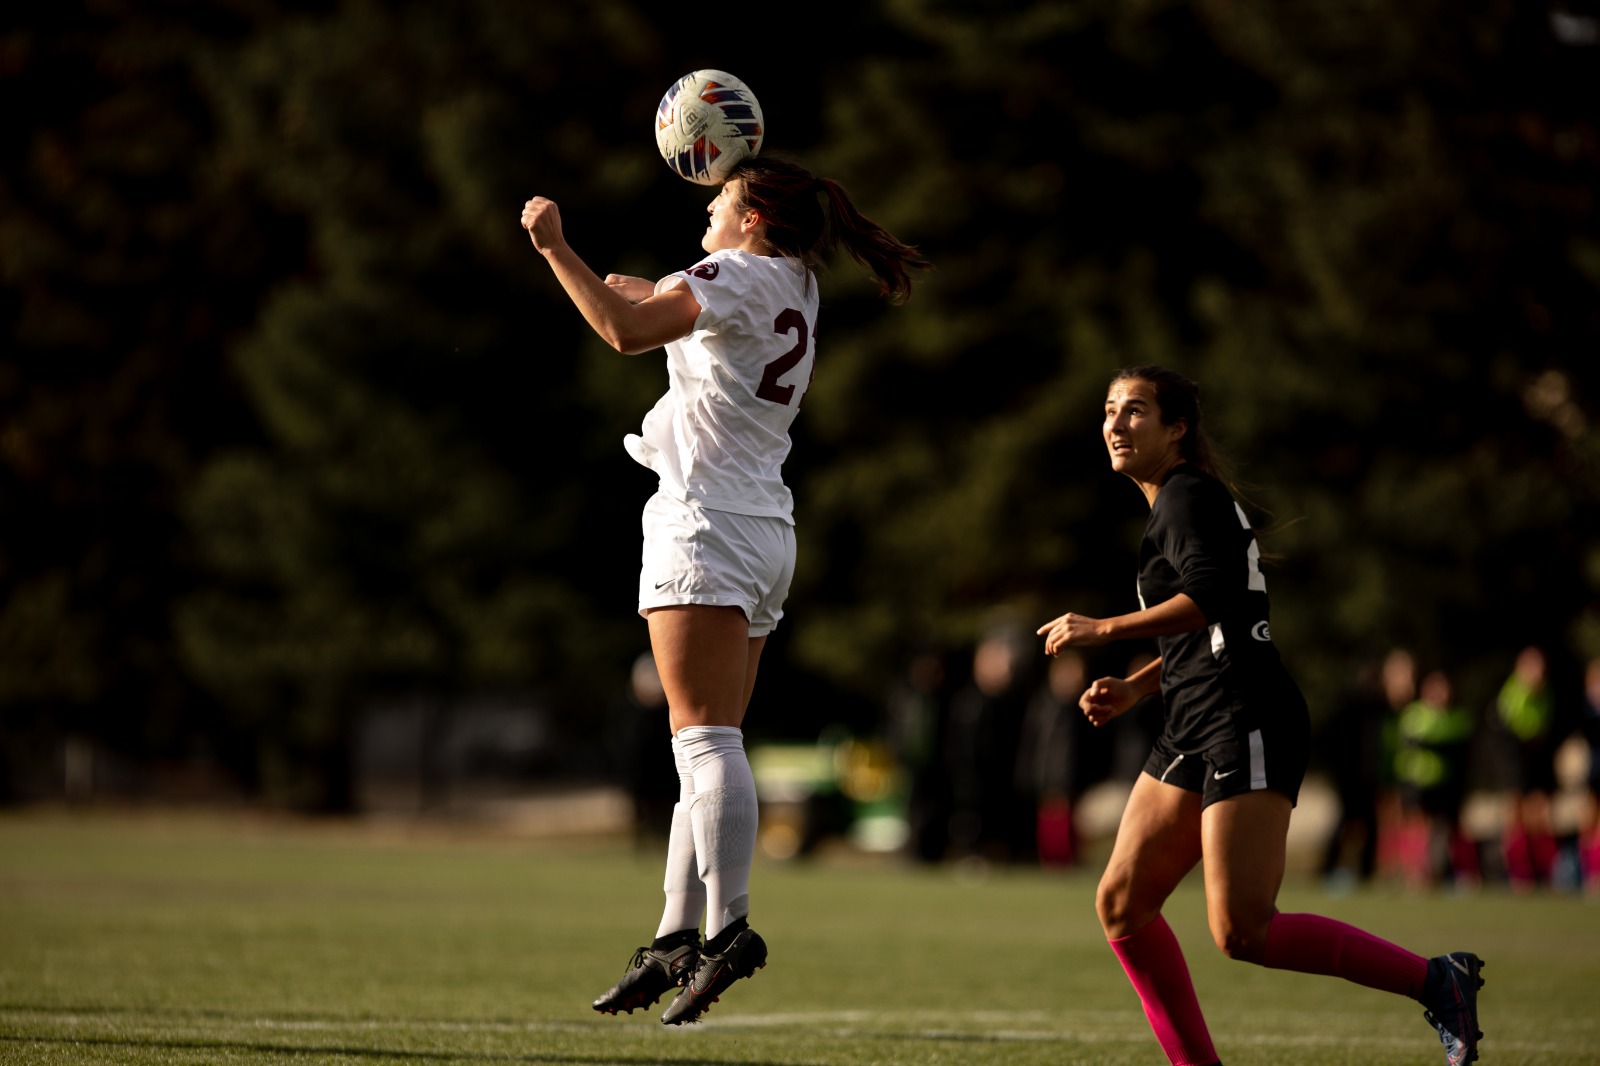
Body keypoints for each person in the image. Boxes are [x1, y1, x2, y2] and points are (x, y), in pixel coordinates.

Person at [521, 156, 928, 1025]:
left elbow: (628, 332)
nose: (708, 207)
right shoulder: (793, 285)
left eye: (722, 200)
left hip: (706, 521)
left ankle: (729, 929)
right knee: (705, 747)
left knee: (703, 743)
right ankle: (674, 934)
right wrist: (641, 284)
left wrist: (557, 249)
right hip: (765, 528)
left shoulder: (732, 273)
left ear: (753, 220)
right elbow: (674, 307)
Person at [1035, 366, 1485, 1066]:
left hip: (1243, 716)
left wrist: (1103, 629)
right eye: (1110, 410)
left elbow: (1212, 599)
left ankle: (1436, 980)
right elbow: (1219, 625)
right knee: (1121, 904)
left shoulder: (1186, 496)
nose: (1117, 424)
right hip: (1195, 717)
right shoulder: (1178, 503)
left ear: (1177, 428)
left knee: (1243, 930)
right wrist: (1135, 688)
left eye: (1137, 411)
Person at [1395, 668, 1478, 890]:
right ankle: (1415, 875)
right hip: (1418, 782)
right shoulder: (1414, 714)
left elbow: (1459, 746)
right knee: (1416, 830)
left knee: (1447, 831)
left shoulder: (1457, 716)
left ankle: (1446, 872)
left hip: (1446, 783)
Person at [1492, 645, 1560, 890]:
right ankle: (1518, 872)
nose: (1537, 672)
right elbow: (1514, 730)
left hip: (1538, 759)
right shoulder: (1512, 693)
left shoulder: (1547, 694)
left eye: (1540, 667)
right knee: (1516, 815)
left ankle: (1544, 870)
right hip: (1514, 759)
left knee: (1541, 814)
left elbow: (1545, 728)